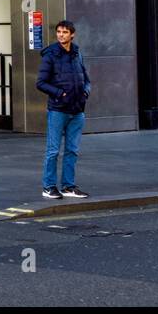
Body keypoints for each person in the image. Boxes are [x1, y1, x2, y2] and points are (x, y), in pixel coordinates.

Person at [37, 20, 90, 199]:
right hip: (58, 110)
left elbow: (86, 79)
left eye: (65, 32)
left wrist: (85, 93)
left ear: (72, 34)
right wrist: (61, 94)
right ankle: (49, 187)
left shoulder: (77, 54)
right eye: (59, 32)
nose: (61, 35)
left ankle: (68, 186)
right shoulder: (50, 55)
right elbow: (41, 83)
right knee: (53, 150)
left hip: (77, 111)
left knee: (72, 150)